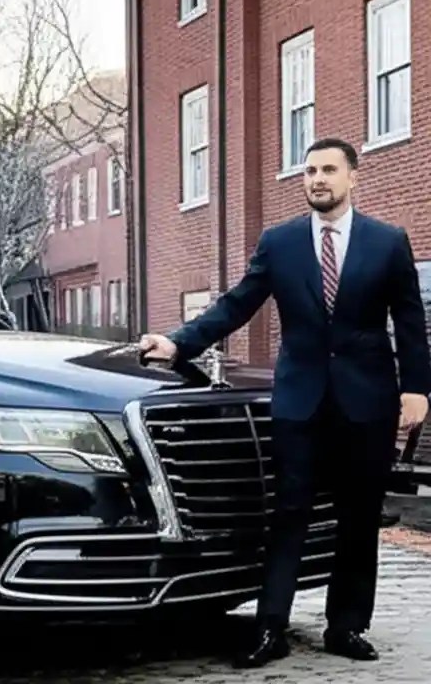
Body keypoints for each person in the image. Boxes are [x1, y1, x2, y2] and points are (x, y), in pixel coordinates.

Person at [138, 137, 430, 668]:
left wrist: (418, 388)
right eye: (310, 170)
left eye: (328, 170)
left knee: (359, 518)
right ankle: (270, 629)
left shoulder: (388, 242)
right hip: (299, 401)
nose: (317, 179)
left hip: (368, 401)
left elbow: (410, 320)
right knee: (289, 513)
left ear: (352, 177)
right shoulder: (281, 242)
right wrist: (180, 342)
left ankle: (346, 628)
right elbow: (237, 303)